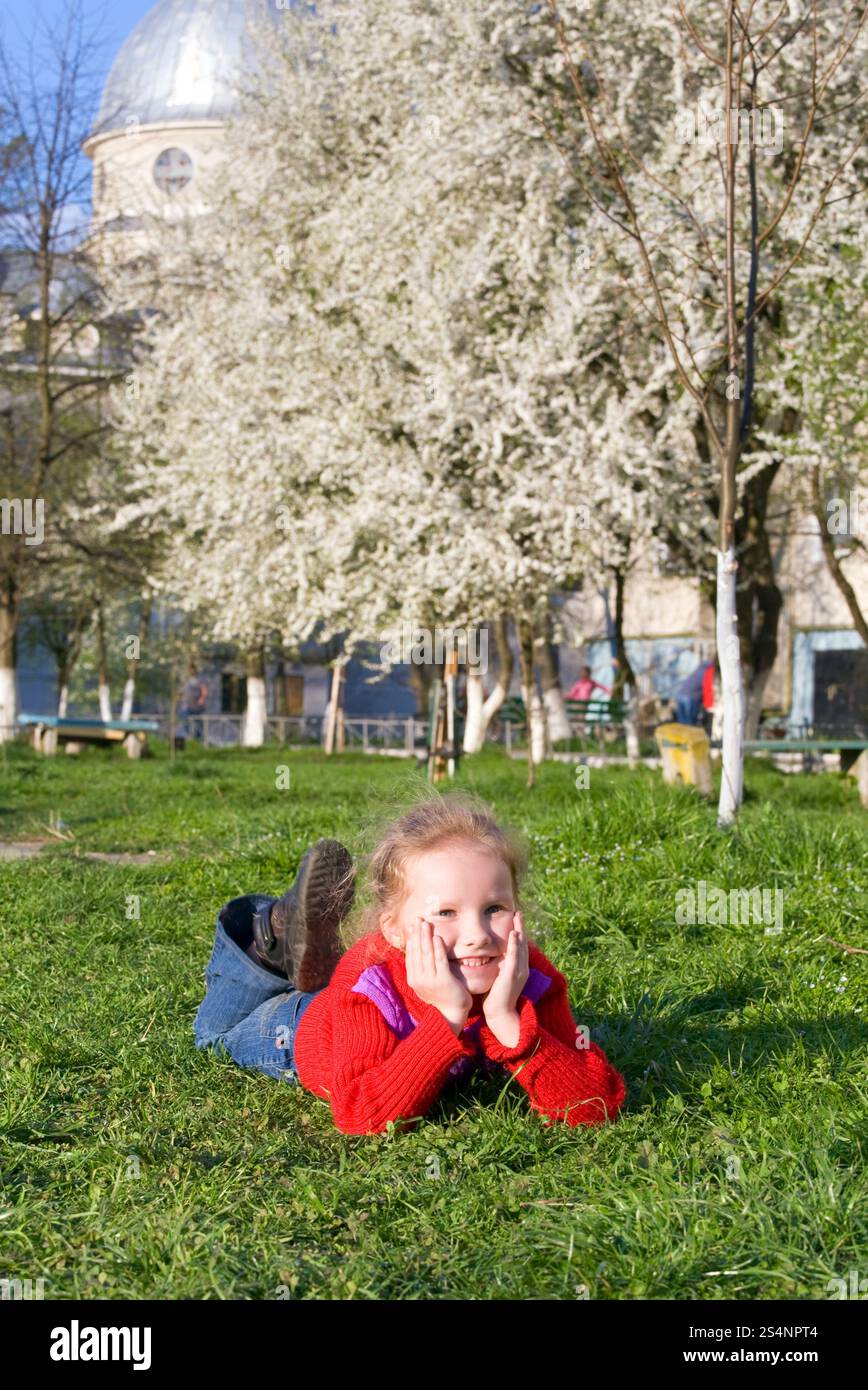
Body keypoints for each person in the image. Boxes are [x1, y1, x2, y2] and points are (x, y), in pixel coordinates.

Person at [193, 793, 627, 1135]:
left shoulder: (529, 973)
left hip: (341, 1004)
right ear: (394, 931)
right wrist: (447, 1017)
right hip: (296, 1033)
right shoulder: (369, 984)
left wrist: (506, 1020)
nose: (478, 933)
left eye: (494, 907)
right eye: (446, 912)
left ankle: (292, 951)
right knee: (214, 1035)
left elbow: (594, 1103)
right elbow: (362, 1114)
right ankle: (268, 938)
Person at [674, 659, 713, 726]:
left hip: (680, 694)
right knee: (690, 722)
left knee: (681, 721)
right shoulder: (708, 672)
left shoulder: (698, 670)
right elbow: (707, 688)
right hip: (691, 697)